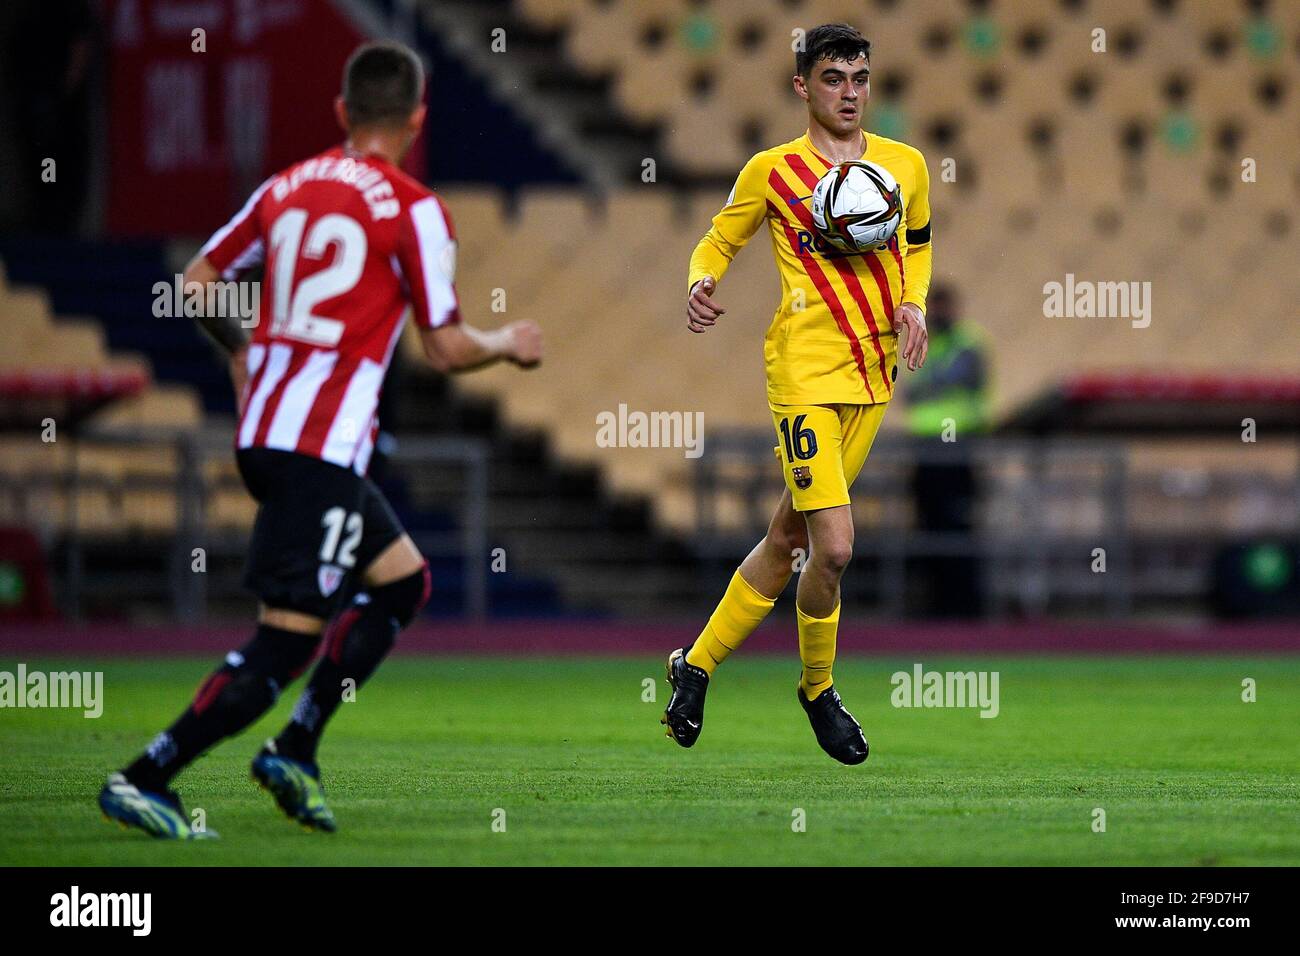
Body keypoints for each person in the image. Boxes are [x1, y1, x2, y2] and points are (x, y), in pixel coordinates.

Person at [98, 41, 542, 839]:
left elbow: (194, 280)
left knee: (403, 583)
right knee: (284, 642)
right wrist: (507, 338)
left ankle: (296, 748)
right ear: (416, 119)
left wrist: (240, 353)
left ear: (341, 113)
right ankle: (146, 775)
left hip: (271, 432)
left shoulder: (285, 187)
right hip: (319, 448)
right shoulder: (412, 208)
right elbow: (442, 348)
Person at [663, 23, 931, 764]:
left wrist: (914, 302)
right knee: (835, 546)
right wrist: (701, 280)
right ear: (802, 87)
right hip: (803, 373)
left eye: (861, 77)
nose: (851, 92)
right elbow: (719, 239)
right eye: (834, 78)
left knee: (788, 539)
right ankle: (818, 689)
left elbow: (917, 243)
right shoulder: (771, 171)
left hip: (874, 375)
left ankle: (696, 666)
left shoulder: (905, 165)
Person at [906, 283, 989, 618]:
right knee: (928, 527)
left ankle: (965, 606)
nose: (939, 315)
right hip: (925, 451)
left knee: (958, 527)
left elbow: (959, 380)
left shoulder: (968, 343)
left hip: (958, 450)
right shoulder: (929, 344)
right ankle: (935, 606)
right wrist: (934, 384)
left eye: (942, 308)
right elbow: (912, 394)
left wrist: (932, 384)